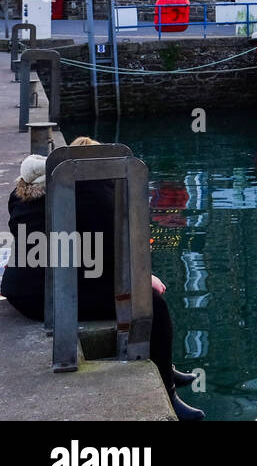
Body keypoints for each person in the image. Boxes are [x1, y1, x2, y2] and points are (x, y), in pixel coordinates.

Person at [1, 139, 204, 421]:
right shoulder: (94, 191)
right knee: (153, 304)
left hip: (20, 290)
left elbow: (66, 249)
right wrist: (144, 279)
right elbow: (112, 246)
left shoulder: (26, 189)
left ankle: (165, 368)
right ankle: (169, 394)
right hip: (46, 295)